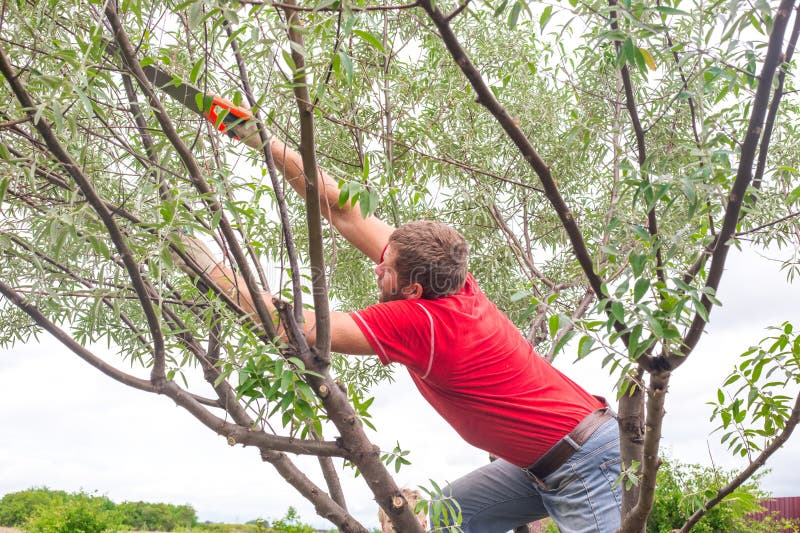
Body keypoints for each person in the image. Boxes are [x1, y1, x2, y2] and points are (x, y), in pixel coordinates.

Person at [177, 128, 623, 533]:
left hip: (586, 464)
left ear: (411, 289)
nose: (376, 268)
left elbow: (302, 329)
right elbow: (342, 208)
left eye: (384, 269)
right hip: (542, 461)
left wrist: (208, 266)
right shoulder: (449, 275)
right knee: (445, 519)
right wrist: (263, 139)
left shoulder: (422, 324)